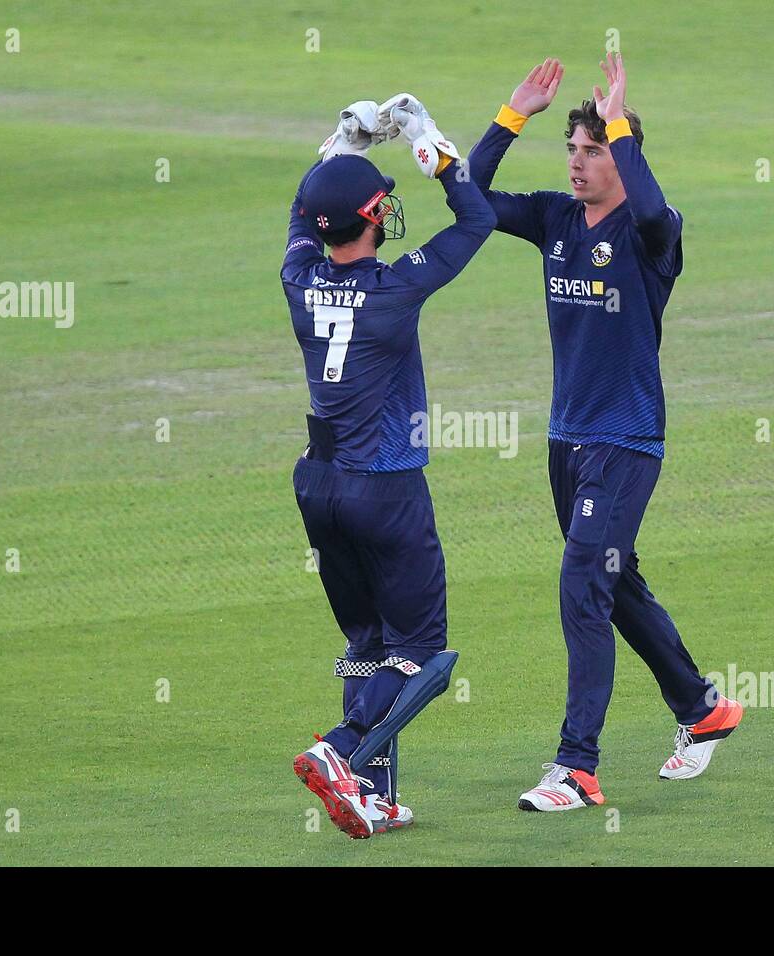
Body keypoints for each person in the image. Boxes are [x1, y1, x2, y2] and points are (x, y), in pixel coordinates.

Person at [466, 55, 743, 813]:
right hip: (566, 442)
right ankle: (703, 709)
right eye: (574, 150)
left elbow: (651, 208)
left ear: (621, 154)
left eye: (593, 150)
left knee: (582, 585)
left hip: (626, 441)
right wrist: (512, 113)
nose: (579, 163)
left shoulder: (655, 234)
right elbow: (473, 196)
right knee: (612, 584)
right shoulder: (555, 218)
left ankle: (577, 767)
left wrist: (619, 120)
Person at [282, 98, 495, 837]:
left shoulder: (297, 275)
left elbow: (303, 208)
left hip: (317, 484)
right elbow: (475, 222)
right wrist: (431, 145)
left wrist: (346, 141)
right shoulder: (394, 287)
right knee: (422, 653)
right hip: (386, 488)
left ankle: (370, 792)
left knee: (365, 644)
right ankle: (340, 752)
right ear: (372, 218)